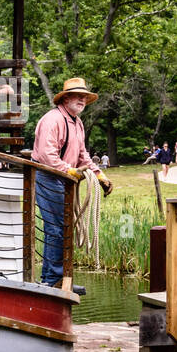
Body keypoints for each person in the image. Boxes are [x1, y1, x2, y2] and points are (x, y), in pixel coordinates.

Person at [31, 79, 113, 288]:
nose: (82, 100)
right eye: (78, 96)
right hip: (48, 175)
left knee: (62, 228)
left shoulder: (76, 122)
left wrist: (99, 175)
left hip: (64, 178)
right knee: (56, 229)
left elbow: (83, 154)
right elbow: (47, 155)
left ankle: (56, 278)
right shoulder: (53, 120)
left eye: (84, 97)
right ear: (66, 98)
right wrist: (69, 170)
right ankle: (52, 279)